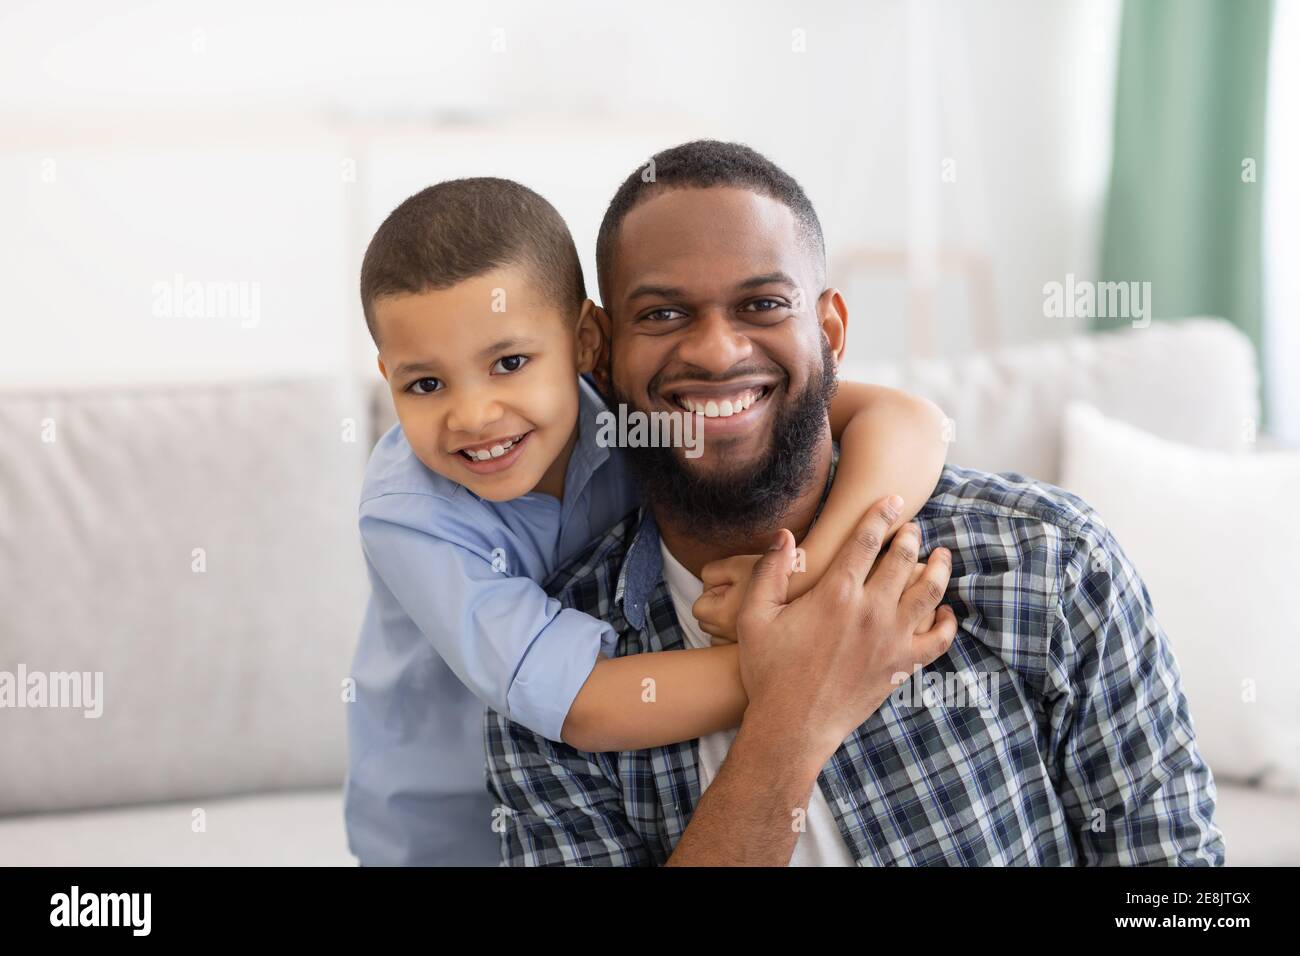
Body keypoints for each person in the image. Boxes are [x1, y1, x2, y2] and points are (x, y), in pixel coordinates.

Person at [484, 140, 1225, 866]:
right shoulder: (553, 674)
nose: (715, 351)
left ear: (830, 331)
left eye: (763, 303)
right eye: (663, 315)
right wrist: (794, 717)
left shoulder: (1047, 564)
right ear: (599, 351)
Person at [344, 176, 952, 865]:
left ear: (587, 344)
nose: (474, 415)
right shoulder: (408, 514)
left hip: (607, 801)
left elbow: (910, 421)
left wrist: (807, 571)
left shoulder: (633, 410)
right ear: (386, 373)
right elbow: (586, 706)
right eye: (425, 384)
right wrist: (805, 660)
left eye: (510, 363)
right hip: (444, 836)